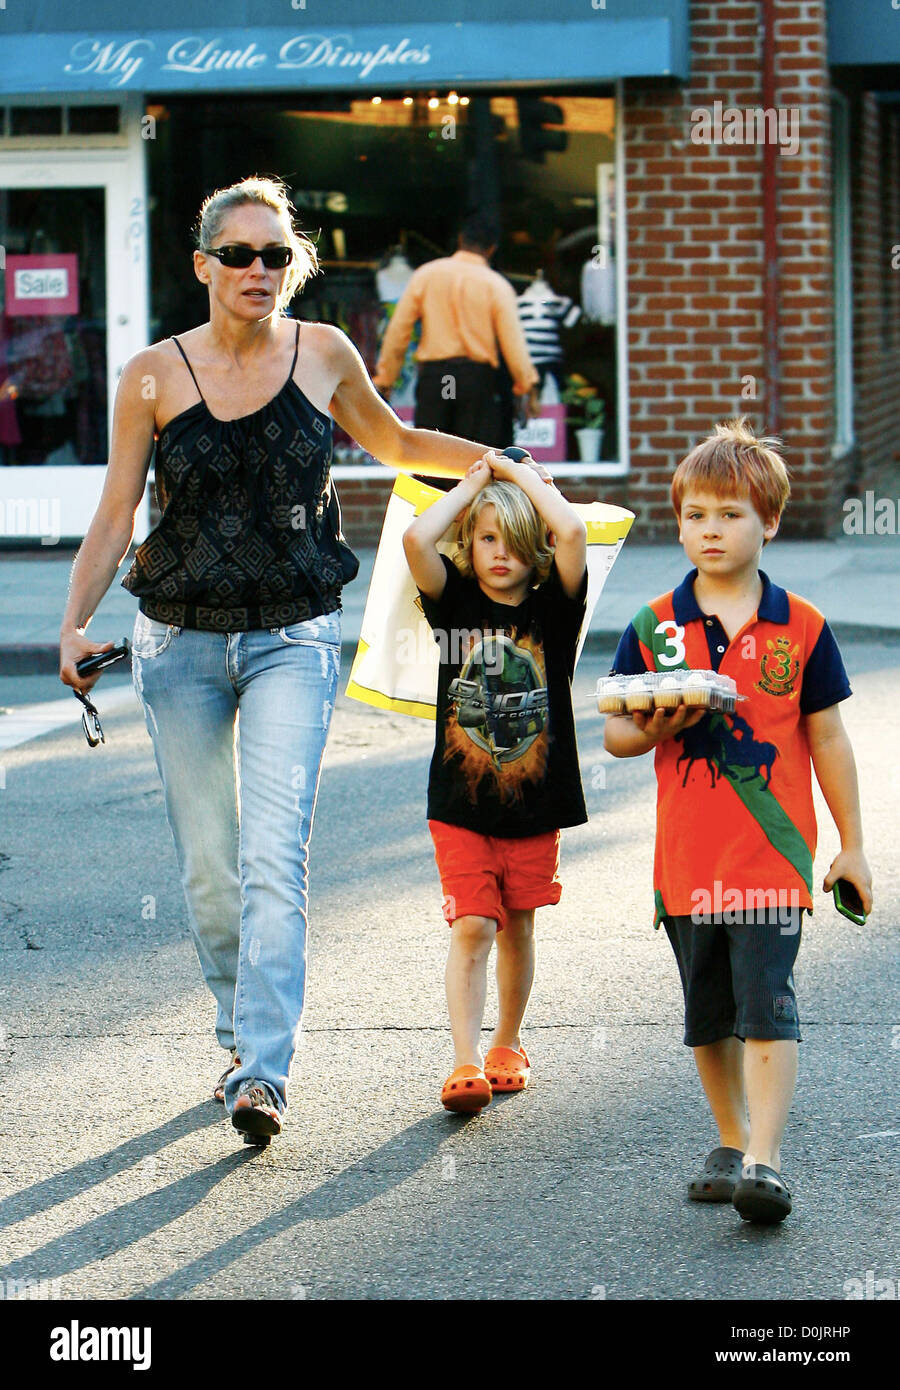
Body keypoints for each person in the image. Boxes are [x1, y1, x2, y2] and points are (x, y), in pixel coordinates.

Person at [58, 176, 519, 1146]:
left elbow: (393, 440)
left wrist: (495, 463)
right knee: (211, 866)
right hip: (177, 638)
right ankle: (236, 1029)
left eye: (276, 255)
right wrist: (73, 623)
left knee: (276, 856)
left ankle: (263, 1070)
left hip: (292, 636)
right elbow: (114, 509)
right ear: (204, 267)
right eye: (239, 255)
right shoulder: (150, 374)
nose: (259, 270)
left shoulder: (325, 353)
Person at [603, 417, 873, 1222]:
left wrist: (853, 846)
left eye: (730, 513)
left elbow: (828, 737)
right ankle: (729, 1138)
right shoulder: (653, 625)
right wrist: (655, 721)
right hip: (685, 864)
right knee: (708, 1017)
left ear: (770, 522)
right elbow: (616, 732)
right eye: (695, 514)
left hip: (772, 862)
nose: (710, 530)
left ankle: (766, 1157)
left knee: (768, 1006)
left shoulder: (805, 627)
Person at [403, 449, 588, 1112]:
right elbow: (415, 538)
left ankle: (508, 1041)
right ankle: (463, 1060)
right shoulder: (452, 606)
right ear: (469, 545)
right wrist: (478, 479)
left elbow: (570, 533)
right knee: (475, 926)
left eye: (513, 541)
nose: (500, 553)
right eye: (486, 538)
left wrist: (524, 481)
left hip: (535, 807)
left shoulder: (554, 614)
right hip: (460, 806)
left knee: (519, 927)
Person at [372, 213, 539, 458]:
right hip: (475, 381)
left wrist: (386, 378)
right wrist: (525, 385)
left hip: (438, 379)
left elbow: (399, 330)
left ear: (461, 240)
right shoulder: (496, 285)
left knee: (430, 459)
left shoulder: (426, 275)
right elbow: (512, 342)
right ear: (492, 249)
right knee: (476, 461)